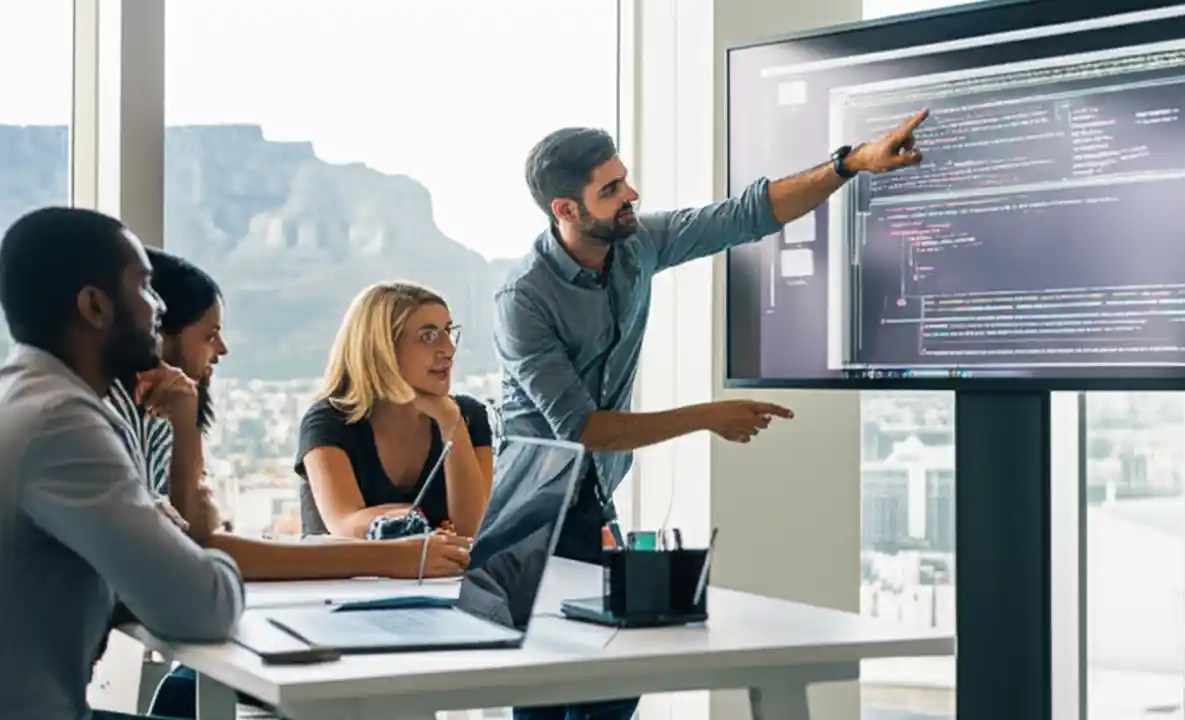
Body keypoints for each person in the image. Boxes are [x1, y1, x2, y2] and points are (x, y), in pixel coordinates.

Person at [493, 110, 930, 720]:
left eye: (625, 180)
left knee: (611, 674)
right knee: (563, 689)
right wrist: (709, 416)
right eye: (611, 189)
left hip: (591, 500)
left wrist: (850, 162)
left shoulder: (636, 246)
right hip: (526, 517)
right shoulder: (524, 299)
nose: (631, 195)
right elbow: (586, 429)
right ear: (566, 210)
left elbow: (746, 214)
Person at [107, 250, 471, 719]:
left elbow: (196, 538)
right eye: (209, 334)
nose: (222, 351)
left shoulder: (151, 409)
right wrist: (394, 556)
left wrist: (185, 420)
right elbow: (200, 554)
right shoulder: (103, 420)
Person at [0, 206, 243, 720]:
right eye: (145, 287)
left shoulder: (26, 395)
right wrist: (211, 561)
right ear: (94, 306)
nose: (158, 308)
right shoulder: (61, 423)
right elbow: (205, 606)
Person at [297, 281, 494, 540]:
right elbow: (344, 525)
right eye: (428, 336)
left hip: (440, 580)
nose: (449, 349)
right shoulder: (328, 421)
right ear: (382, 349)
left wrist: (450, 421)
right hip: (344, 579)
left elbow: (472, 531)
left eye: (448, 331)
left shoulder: (468, 416)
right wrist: (417, 523)